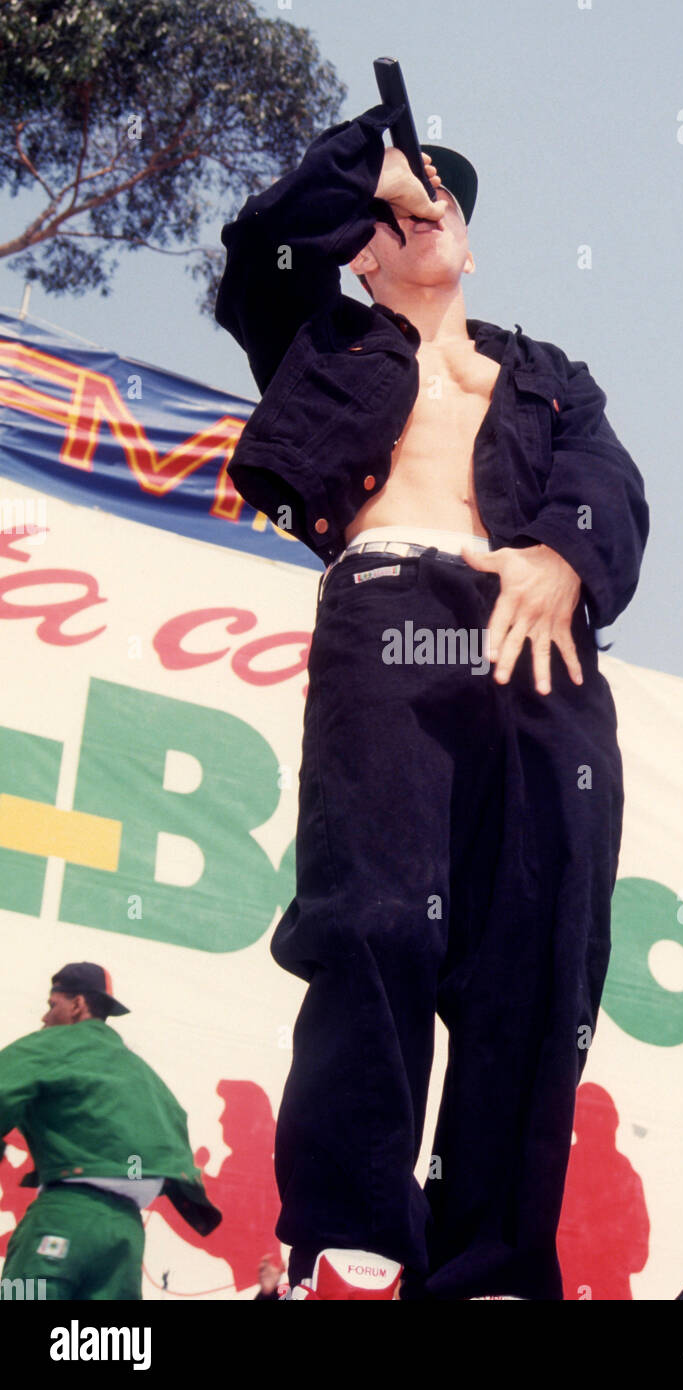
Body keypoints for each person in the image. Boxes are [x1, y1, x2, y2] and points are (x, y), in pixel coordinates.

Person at [215, 97, 649, 1301]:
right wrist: (367, 164)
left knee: (537, 963)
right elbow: (262, 249)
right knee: (375, 923)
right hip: (390, 613)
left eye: (440, 201)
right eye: (393, 210)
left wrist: (565, 555)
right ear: (359, 238)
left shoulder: (548, 377)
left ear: (470, 236)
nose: (420, 216)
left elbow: (606, 485)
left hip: (537, 642)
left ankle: (492, 1271)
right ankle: (350, 1245)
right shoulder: (321, 342)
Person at [0, 963, 221, 1299]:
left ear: (77, 1005)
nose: (45, 1019)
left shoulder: (56, 1044)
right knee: (107, 1348)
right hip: (125, 1234)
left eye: (51, 1005)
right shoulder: (140, 1071)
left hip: (65, 1216)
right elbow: (175, 1131)